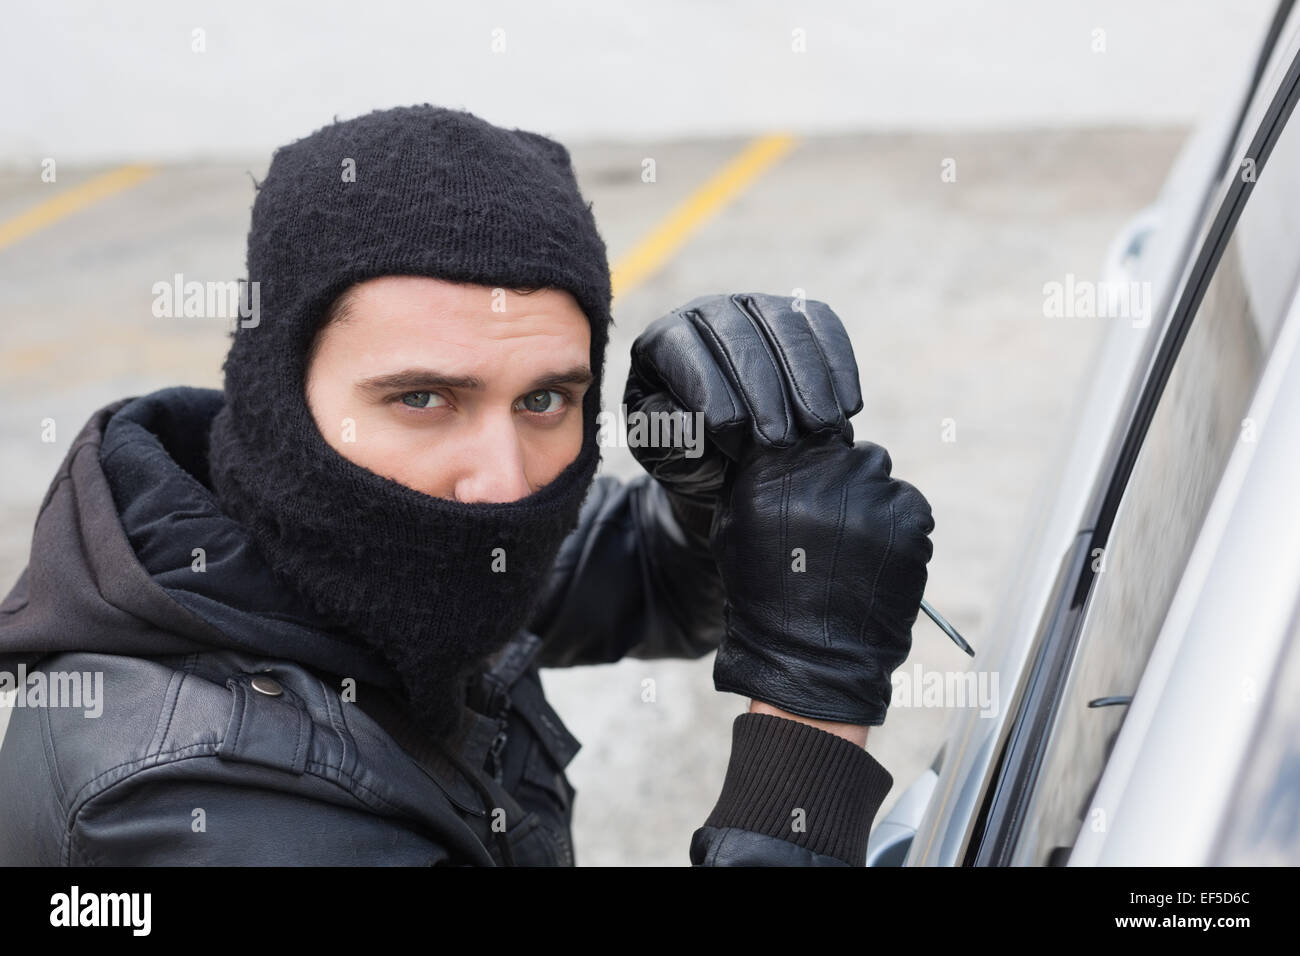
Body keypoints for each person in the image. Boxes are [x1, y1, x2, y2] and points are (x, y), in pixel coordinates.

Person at [0, 104, 934, 866]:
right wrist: (810, 717)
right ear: (279, 395)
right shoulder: (196, 802)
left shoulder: (357, 537)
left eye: (544, 399)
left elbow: (649, 583)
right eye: (422, 397)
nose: (502, 483)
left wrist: (707, 488)